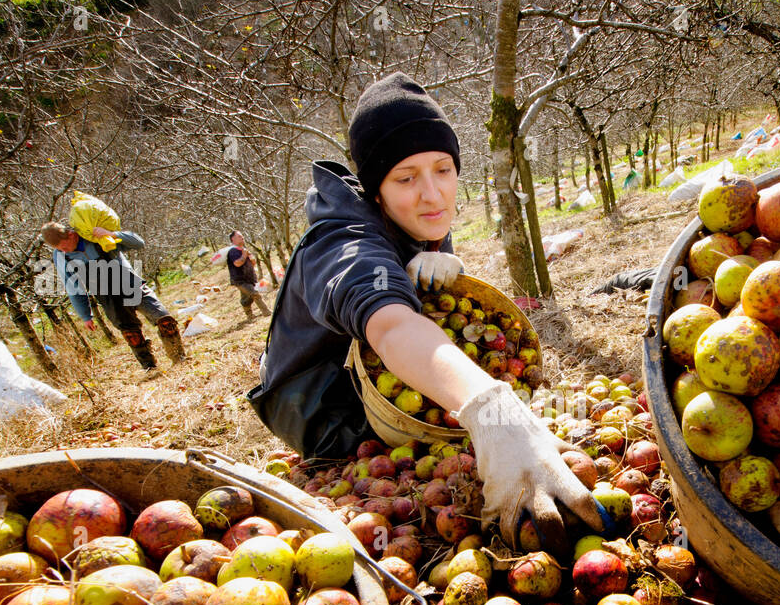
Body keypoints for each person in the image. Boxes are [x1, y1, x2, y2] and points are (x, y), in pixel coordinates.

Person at [248, 72, 602, 553]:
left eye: (443, 169)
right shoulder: (342, 242)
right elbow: (391, 325)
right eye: (406, 178)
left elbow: (430, 318)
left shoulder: (419, 217)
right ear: (376, 191)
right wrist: (491, 407)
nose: (433, 194)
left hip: (405, 386)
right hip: (324, 408)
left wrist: (442, 262)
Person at [42, 222, 185, 370]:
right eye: (60, 249)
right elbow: (73, 286)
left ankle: (179, 359)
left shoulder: (93, 235)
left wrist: (111, 234)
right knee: (132, 335)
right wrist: (86, 315)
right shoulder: (61, 256)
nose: (64, 251)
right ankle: (150, 368)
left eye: (64, 247)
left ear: (71, 235)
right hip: (109, 298)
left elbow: (138, 243)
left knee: (165, 320)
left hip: (131, 284)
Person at [225, 230, 272, 320]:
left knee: (247, 299)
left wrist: (251, 258)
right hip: (240, 280)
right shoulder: (233, 251)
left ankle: (249, 315)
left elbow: (252, 263)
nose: (242, 237)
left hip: (249, 278)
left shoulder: (243, 250)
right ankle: (266, 312)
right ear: (233, 239)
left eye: (242, 236)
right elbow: (237, 263)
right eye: (239, 236)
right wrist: (244, 255)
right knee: (255, 294)